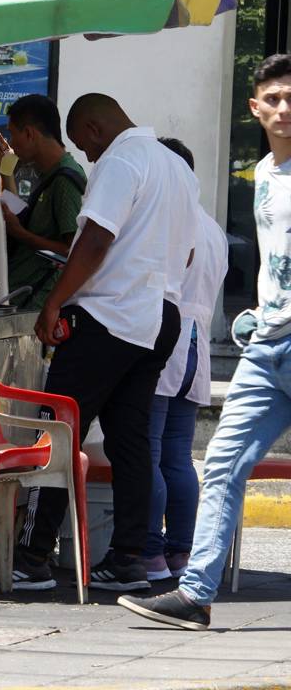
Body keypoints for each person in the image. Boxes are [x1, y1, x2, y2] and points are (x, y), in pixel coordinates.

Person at [0, 94, 198, 593]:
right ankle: (129, 557)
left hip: (109, 315)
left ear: (94, 127)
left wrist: (55, 302)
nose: (88, 156)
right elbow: (185, 255)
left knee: (57, 429)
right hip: (160, 316)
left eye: (85, 145)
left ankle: (33, 556)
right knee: (130, 441)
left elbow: (95, 240)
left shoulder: (123, 160)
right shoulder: (176, 167)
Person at [119, 54, 291, 630]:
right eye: (273, 99)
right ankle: (194, 595)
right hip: (266, 350)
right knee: (218, 462)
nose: (284, 109)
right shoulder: (263, 174)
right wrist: (260, 314)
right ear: (255, 107)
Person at [139, 138, 228, 582]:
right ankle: (180, 553)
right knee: (177, 457)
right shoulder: (213, 227)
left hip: (166, 340)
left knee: (150, 455)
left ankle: (150, 554)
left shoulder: (172, 220)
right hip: (198, 349)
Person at [0, 94, 86, 310]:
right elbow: (21, 219)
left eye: (13, 136)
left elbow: (74, 252)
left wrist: (21, 234)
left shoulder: (65, 180)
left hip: (36, 304)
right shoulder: (49, 175)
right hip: (19, 298)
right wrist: (5, 172)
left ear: (29, 134)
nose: (12, 145)